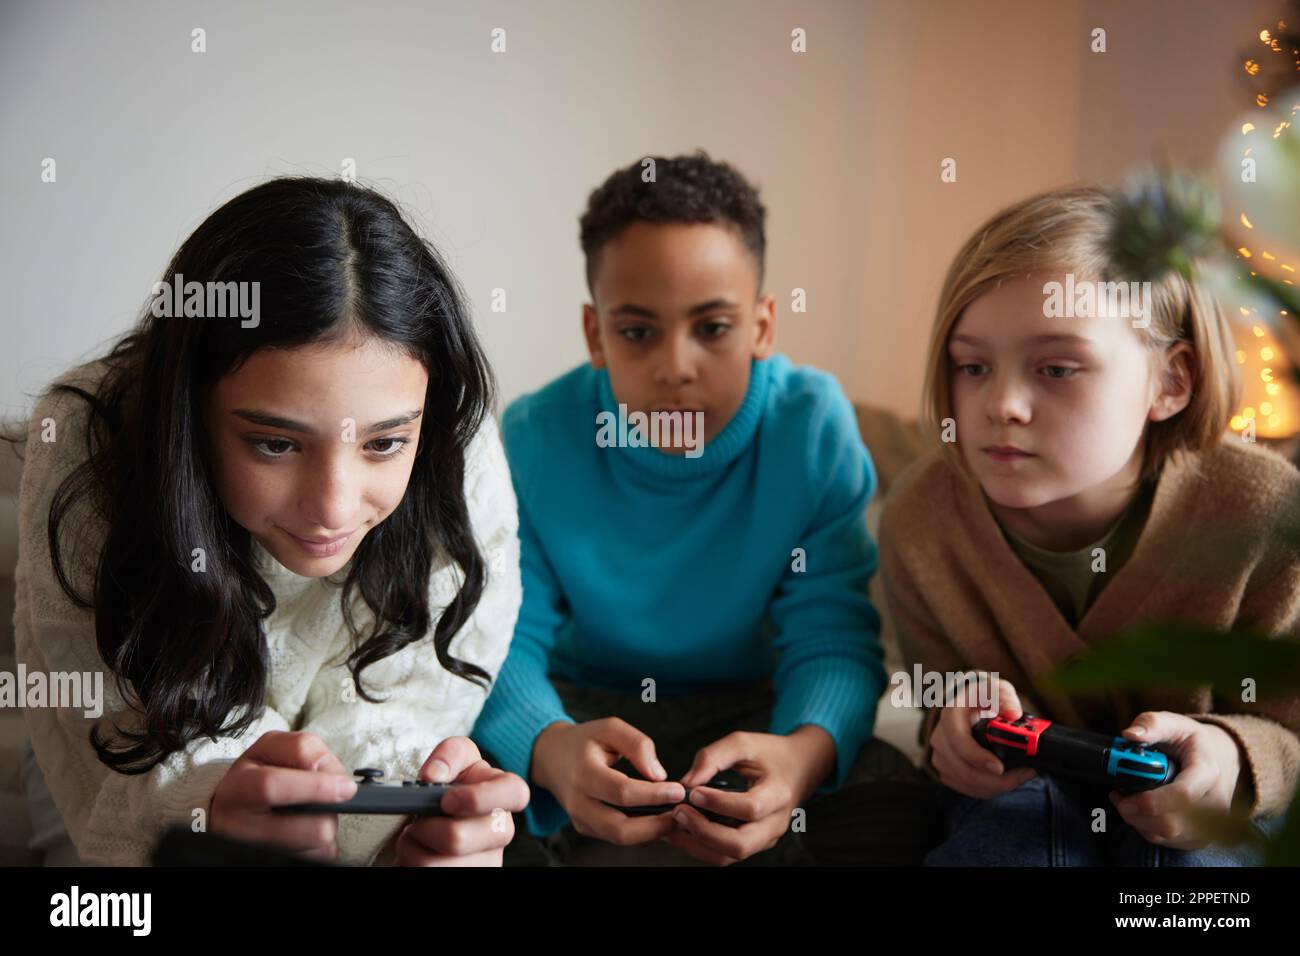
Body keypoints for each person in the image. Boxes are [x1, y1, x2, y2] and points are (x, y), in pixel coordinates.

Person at [13, 176, 529, 866]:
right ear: (187, 414)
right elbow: (120, 759)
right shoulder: (90, 441)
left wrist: (411, 833)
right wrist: (207, 809)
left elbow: (405, 716)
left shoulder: (456, 450)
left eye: (383, 443)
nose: (334, 509)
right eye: (277, 444)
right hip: (120, 768)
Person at [472, 151, 943, 866]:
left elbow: (832, 635)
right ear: (596, 334)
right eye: (638, 331)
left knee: (894, 806)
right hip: (585, 709)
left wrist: (797, 760)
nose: (676, 365)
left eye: (712, 328)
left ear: (761, 326)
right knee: (473, 804)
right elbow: (504, 639)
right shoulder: (539, 435)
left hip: (751, 713)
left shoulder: (812, 428)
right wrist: (550, 748)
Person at [878, 184, 1300, 865]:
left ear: (1171, 381)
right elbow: (938, 700)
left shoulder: (1265, 514)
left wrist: (1230, 757)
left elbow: (1291, 734)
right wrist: (950, 730)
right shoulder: (922, 521)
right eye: (973, 366)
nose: (1002, 404)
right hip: (1020, 814)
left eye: (1056, 368)